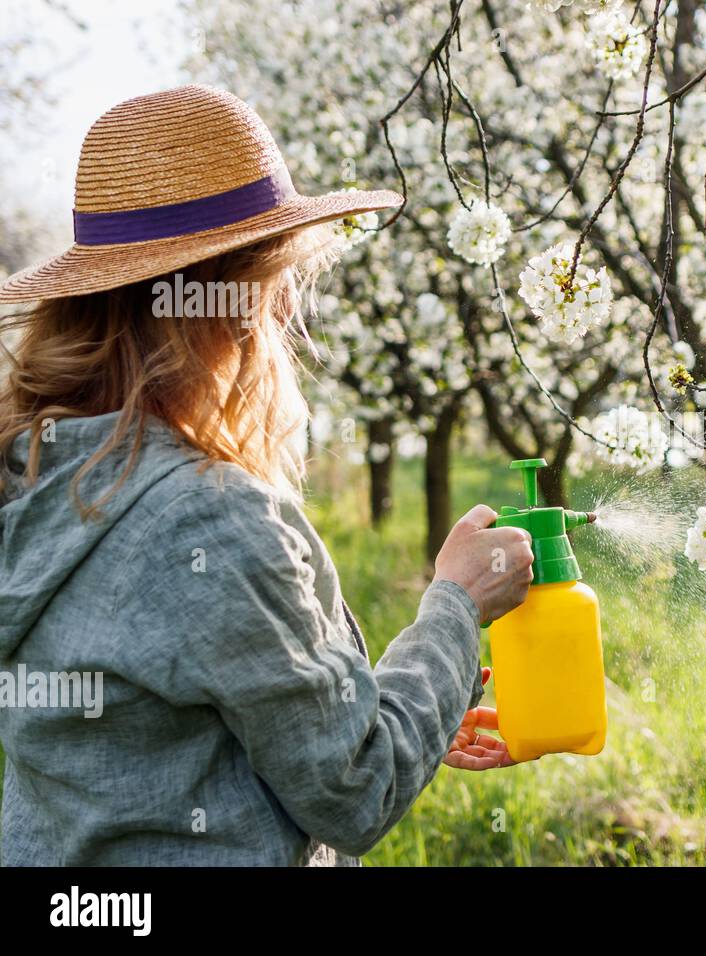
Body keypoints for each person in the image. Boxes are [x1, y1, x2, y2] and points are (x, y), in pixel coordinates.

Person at [0, 85, 533, 866]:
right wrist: (454, 609)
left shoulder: (30, 480)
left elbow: (164, 736)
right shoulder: (208, 518)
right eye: (280, 281)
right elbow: (355, 791)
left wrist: (406, 703)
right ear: (232, 303)